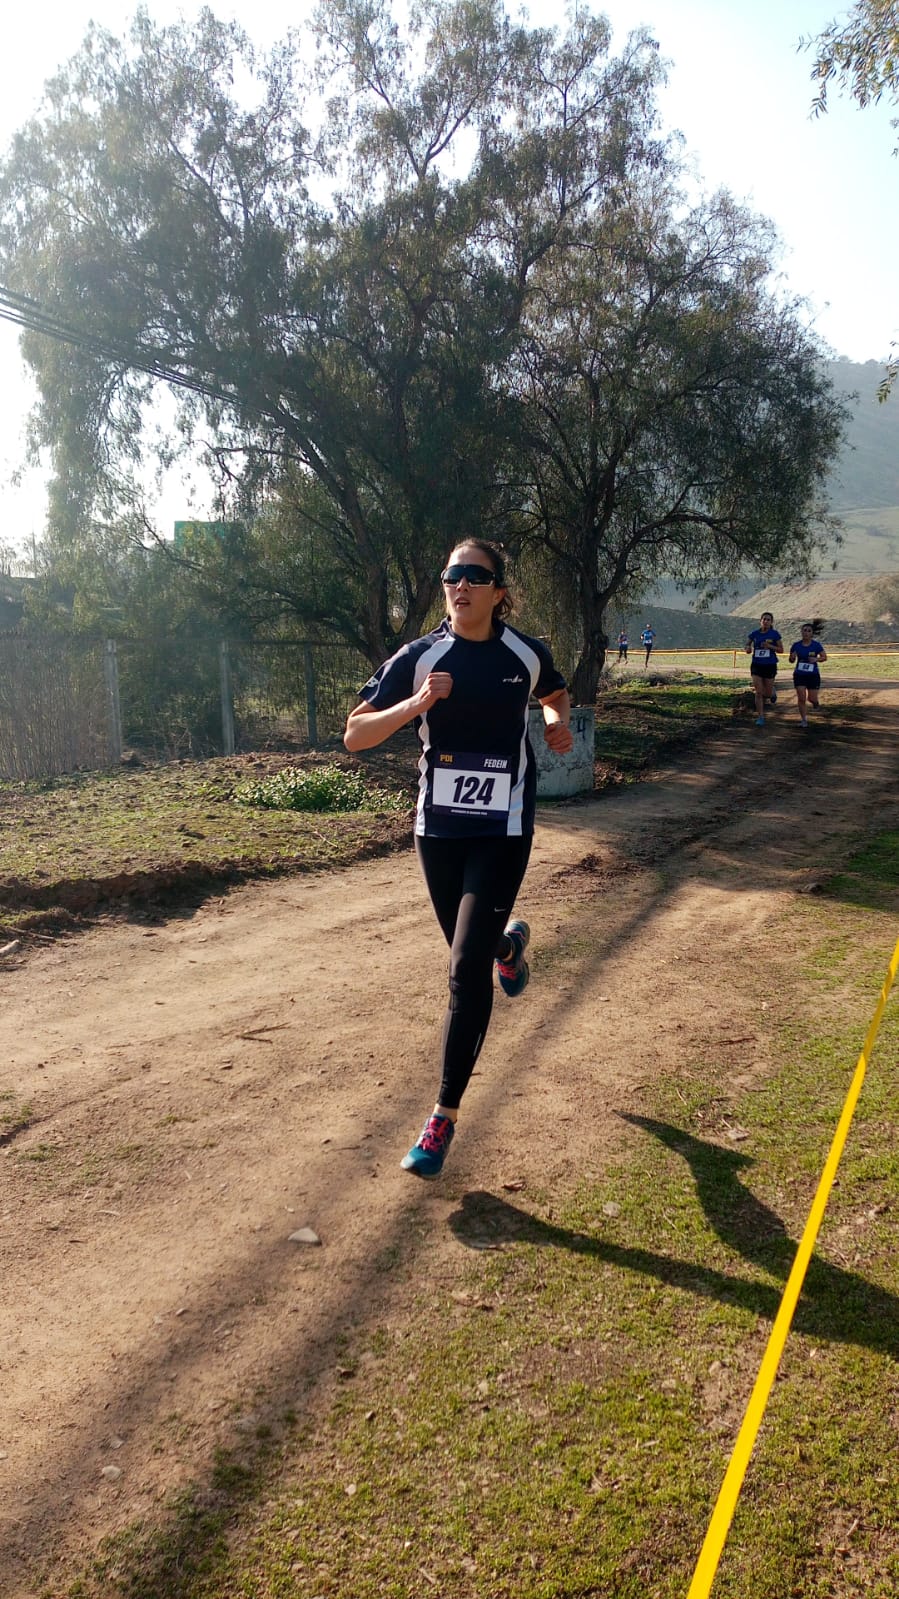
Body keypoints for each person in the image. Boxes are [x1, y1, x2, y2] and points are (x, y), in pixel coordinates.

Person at [344, 539, 573, 1180]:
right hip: (438, 829)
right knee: (473, 952)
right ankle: (509, 950)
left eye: (476, 576)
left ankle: (441, 1116)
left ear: (499, 591)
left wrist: (555, 719)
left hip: (502, 826)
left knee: (461, 967)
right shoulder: (419, 658)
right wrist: (414, 707)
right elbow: (355, 733)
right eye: (452, 575)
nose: (461, 585)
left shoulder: (524, 653)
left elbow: (556, 693)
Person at [745, 611, 783, 725]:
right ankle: (760, 717)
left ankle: (772, 692)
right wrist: (748, 648)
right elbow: (747, 644)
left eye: (768, 620)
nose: (766, 621)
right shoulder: (754, 634)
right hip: (756, 665)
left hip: (770, 665)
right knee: (758, 692)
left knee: (766, 693)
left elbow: (781, 650)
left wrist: (770, 646)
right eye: (764, 619)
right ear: (760, 621)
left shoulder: (775, 634)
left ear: (771, 622)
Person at [788, 619, 827, 728]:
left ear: (812, 633)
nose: (806, 632)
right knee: (801, 698)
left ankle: (815, 703)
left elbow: (824, 657)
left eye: (809, 631)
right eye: (804, 630)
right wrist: (792, 657)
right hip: (799, 675)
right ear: (801, 632)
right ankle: (804, 720)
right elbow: (791, 660)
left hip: (813, 675)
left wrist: (816, 660)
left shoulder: (816, 645)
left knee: (811, 698)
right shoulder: (796, 645)